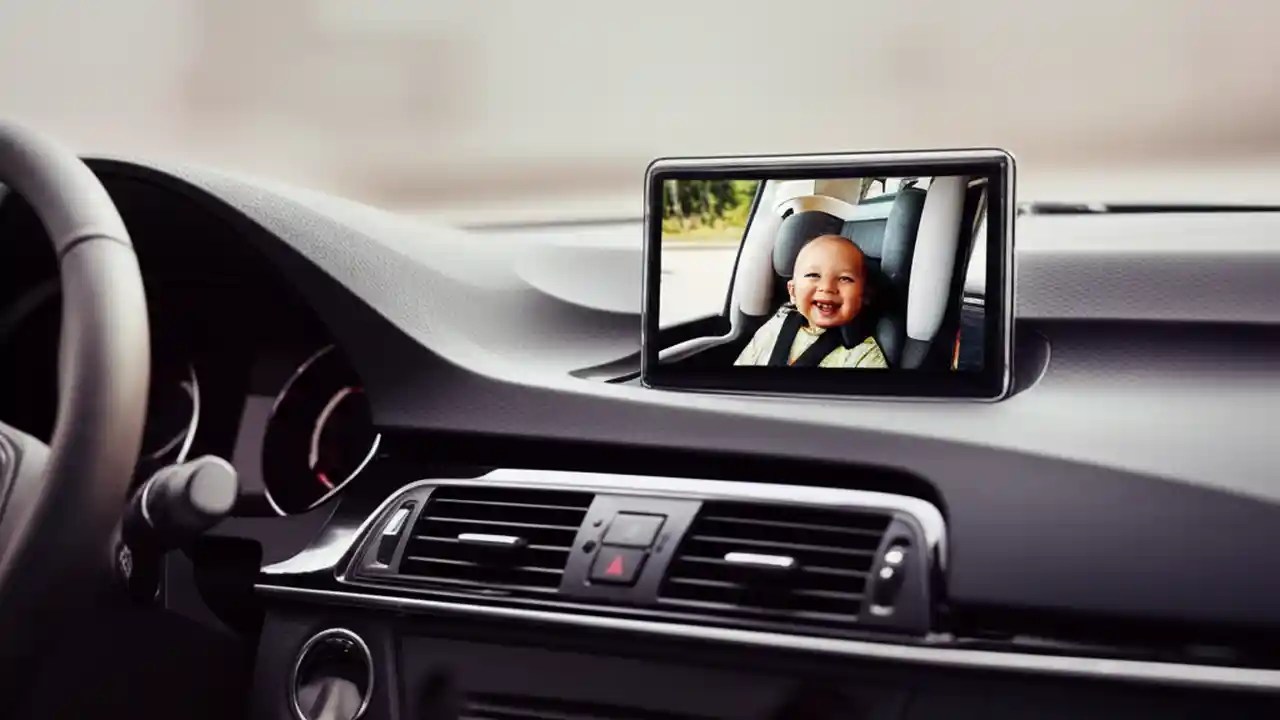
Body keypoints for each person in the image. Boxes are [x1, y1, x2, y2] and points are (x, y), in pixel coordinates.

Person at [735, 234, 887, 368]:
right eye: (813, 275)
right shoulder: (777, 324)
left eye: (844, 278)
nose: (827, 287)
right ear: (792, 292)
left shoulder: (864, 355)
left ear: (865, 295)